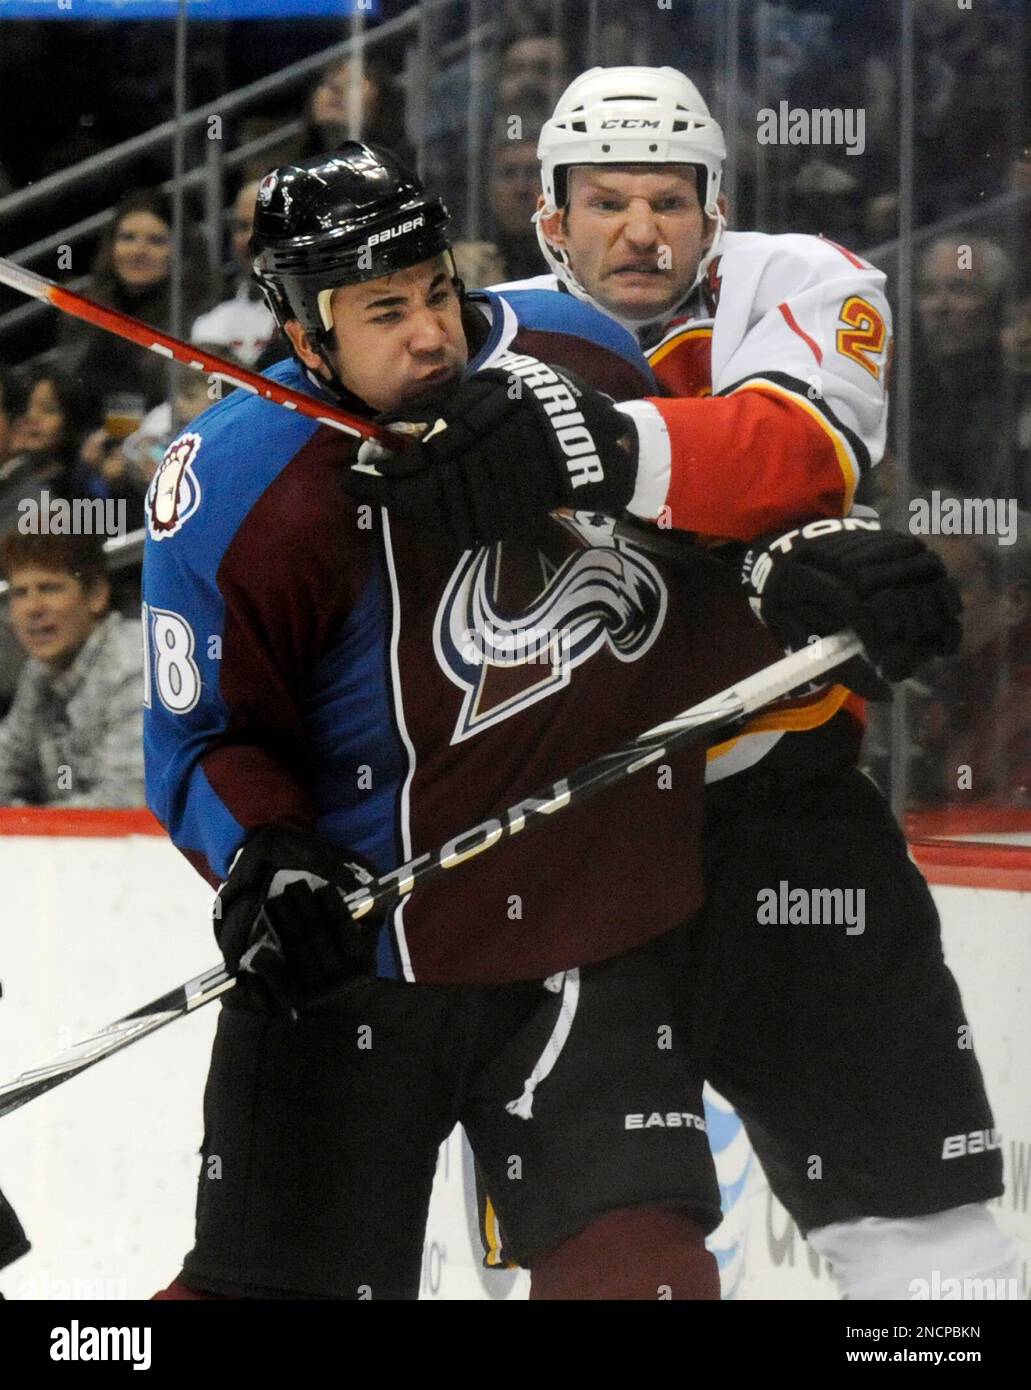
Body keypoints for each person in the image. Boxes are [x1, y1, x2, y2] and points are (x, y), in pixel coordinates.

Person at [141, 144, 956, 1302]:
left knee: (647, 1280)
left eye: (437, 288)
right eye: (384, 311)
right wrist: (265, 860)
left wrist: (803, 571)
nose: (432, 334)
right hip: (358, 968)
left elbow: (691, 559)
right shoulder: (232, 485)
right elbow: (205, 738)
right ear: (306, 335)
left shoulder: (574, 356)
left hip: (587, 946)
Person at [348, 68, 1020, 1300]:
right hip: (567, 843)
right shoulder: (473, 335)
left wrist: (593, 451)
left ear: (716, 209)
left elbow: (794, 451)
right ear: (549, 221)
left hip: (783, 816)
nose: (640, 229)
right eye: (604, 202)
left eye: (669, 198)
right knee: (579, 1258)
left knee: (926, 1242)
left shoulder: (803, 281)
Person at [0, 531, 144, 808]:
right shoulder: (39, 670)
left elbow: (129, 800)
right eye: (20, 593)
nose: (33, 608)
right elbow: (7, 763)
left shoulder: (133, 663)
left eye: (49, 588)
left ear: (96, 596)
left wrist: (24, 824)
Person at [59, 189, 213, 416]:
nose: (138, 251)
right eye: (127, 238)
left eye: (156, 241)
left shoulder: (199, 317)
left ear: (180, 252)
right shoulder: (83, 309)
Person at [189, 180, 276, 369]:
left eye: (262, 224)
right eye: (242, 227)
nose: (250, 238)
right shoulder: (211, 323)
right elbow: (205, 394)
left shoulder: (332, 308)